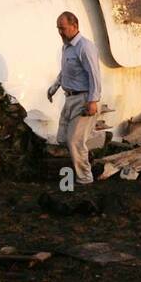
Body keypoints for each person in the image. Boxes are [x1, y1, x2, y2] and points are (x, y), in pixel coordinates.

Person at [46, 11, 103, 185]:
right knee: (63, 138)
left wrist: (93, 101)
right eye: (58, 29)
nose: (60, 32)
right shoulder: (67, 47)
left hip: (83, 99)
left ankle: (85, 178)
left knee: (74, 141)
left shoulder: (85, 47)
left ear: (75, 26)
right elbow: (66, 71)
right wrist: (54, 87)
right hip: (69, 98)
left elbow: (94, 75)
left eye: (62, 28)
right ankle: (86, 159)